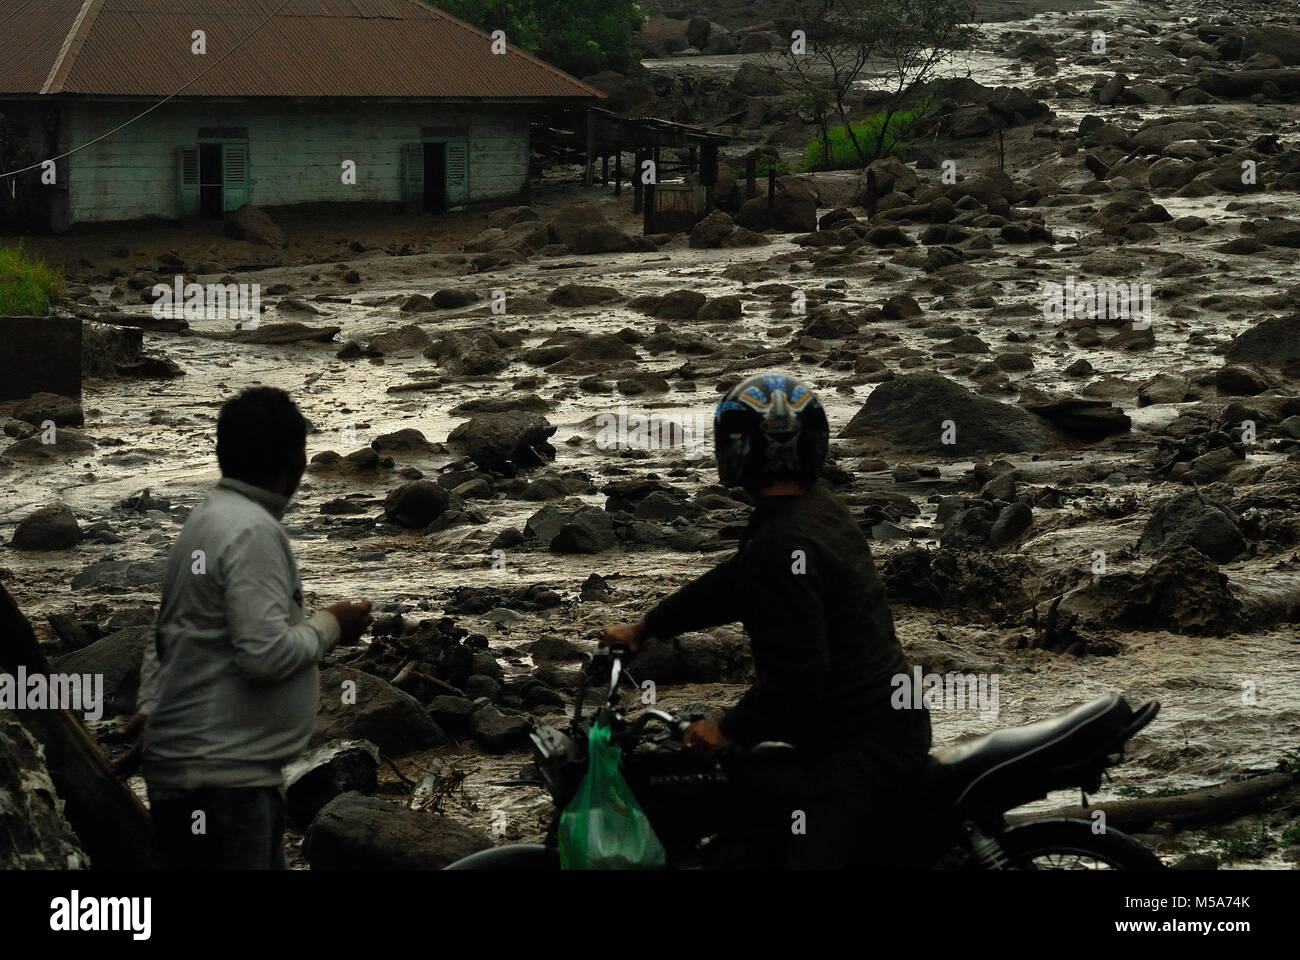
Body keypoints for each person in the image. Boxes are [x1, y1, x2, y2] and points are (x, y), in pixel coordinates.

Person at [604, 371, 931, 869]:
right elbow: (736, 582)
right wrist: (649, 626)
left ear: (736, 450)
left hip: (860, 747)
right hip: (872, 725)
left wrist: (729, 728)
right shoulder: (812, 510)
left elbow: (798, 678)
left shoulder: (786, 539)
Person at [121, 386, 372, 869]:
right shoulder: (253, 532)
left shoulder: (207, 521)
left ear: (220, 454)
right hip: (224, 786)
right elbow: (264, 655)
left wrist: (155, 707)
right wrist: (331, 625)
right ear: (298, 461)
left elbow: (167, 633)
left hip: (210, 776)